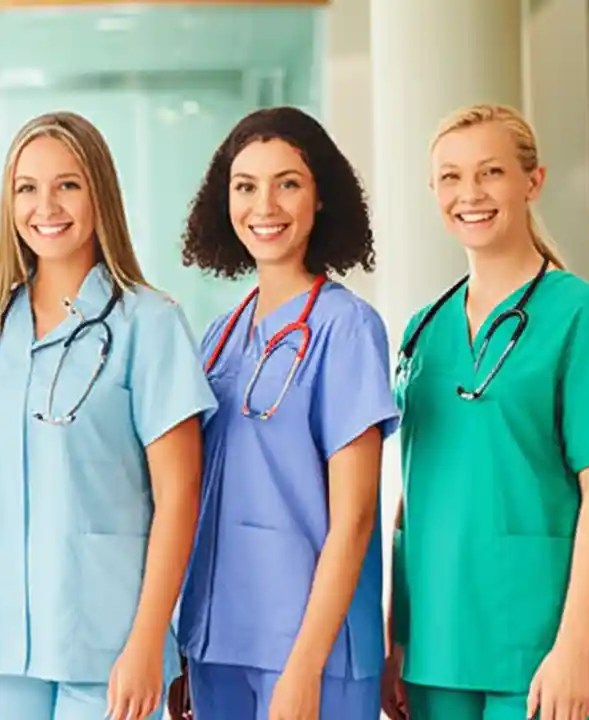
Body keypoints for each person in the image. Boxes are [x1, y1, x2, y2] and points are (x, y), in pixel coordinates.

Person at [0, 110, 213, 720]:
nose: (45, 206)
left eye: (67, 184)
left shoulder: (150, 325)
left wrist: (148, 644)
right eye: (27, 187)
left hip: (106, 644)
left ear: (99, 193)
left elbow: (180, 495)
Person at [173, 106, 399, 720]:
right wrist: (184, 648)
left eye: (288, 183)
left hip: (307, 651)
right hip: (218, 641)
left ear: (321, 196)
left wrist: (303, 667)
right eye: (245, 186)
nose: (264, 205)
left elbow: (353, 519)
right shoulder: (220, 335)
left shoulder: (346, 328)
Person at [383, 104, 589, 720]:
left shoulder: (585, 316)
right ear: (434, 191)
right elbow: (414, 490)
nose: (470, 194)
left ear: (531, 183)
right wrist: (397, 637)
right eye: (450, 177)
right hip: (435, 643)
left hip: (538, 648)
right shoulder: (423, 330)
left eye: (491, 173)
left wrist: (574, 646)